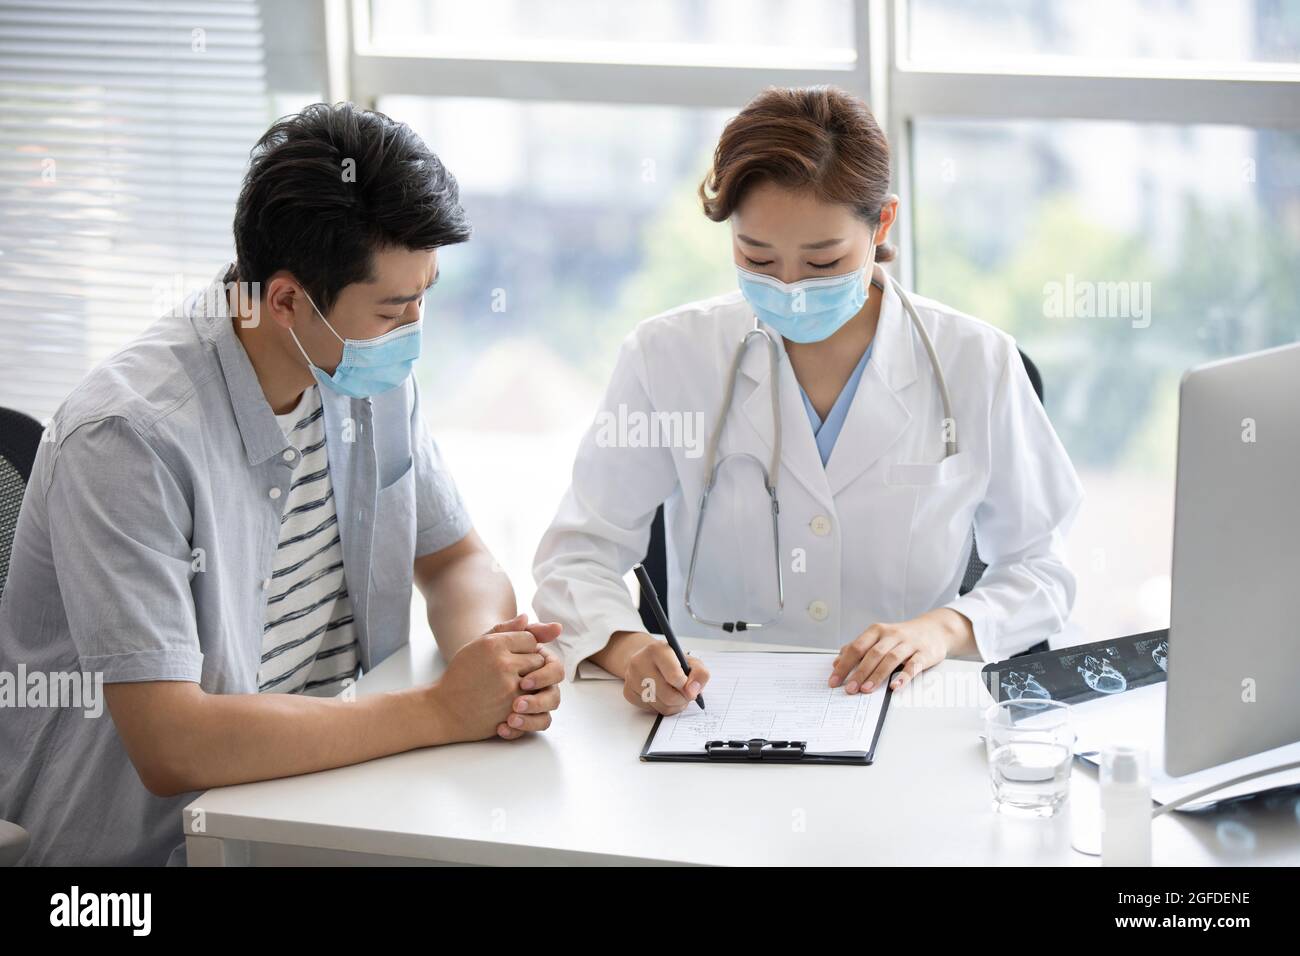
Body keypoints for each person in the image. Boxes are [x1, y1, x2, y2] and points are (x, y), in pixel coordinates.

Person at [0, 103, 562, 866]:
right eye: (395, 308)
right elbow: (174, 744)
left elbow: (457, 559)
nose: (414, 329)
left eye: (424, 296)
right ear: (290, 300)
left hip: (329, 794)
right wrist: (439, 710)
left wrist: (495, 668)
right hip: (154, 854)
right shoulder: (129, 437)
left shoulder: (357, 362)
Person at [532, 85, 1083, 716]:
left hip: (904, 710)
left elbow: (1042, 566)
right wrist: (630, 649)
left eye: (823, 263)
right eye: (757, 258)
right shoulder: (667, 356)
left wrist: (944, 629)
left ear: (882, 223)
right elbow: (578, 554)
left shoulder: (975, 362)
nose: (790, 289)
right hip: (713, 713)